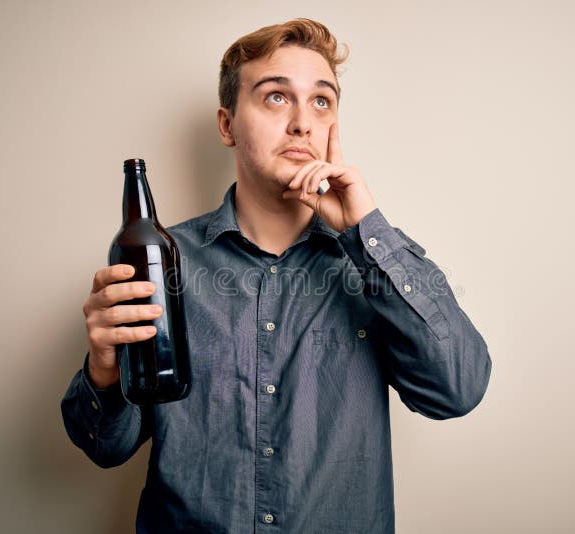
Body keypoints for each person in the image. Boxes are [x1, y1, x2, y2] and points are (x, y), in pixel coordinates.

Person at [62, 18, 492, 533]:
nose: (302, 124)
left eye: (321, 101)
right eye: (275, 98)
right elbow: (104, 447)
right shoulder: (164, 264)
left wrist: (365, 231)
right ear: (227, 125)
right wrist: (104, 370)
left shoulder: (377, 261)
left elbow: (458, 390)